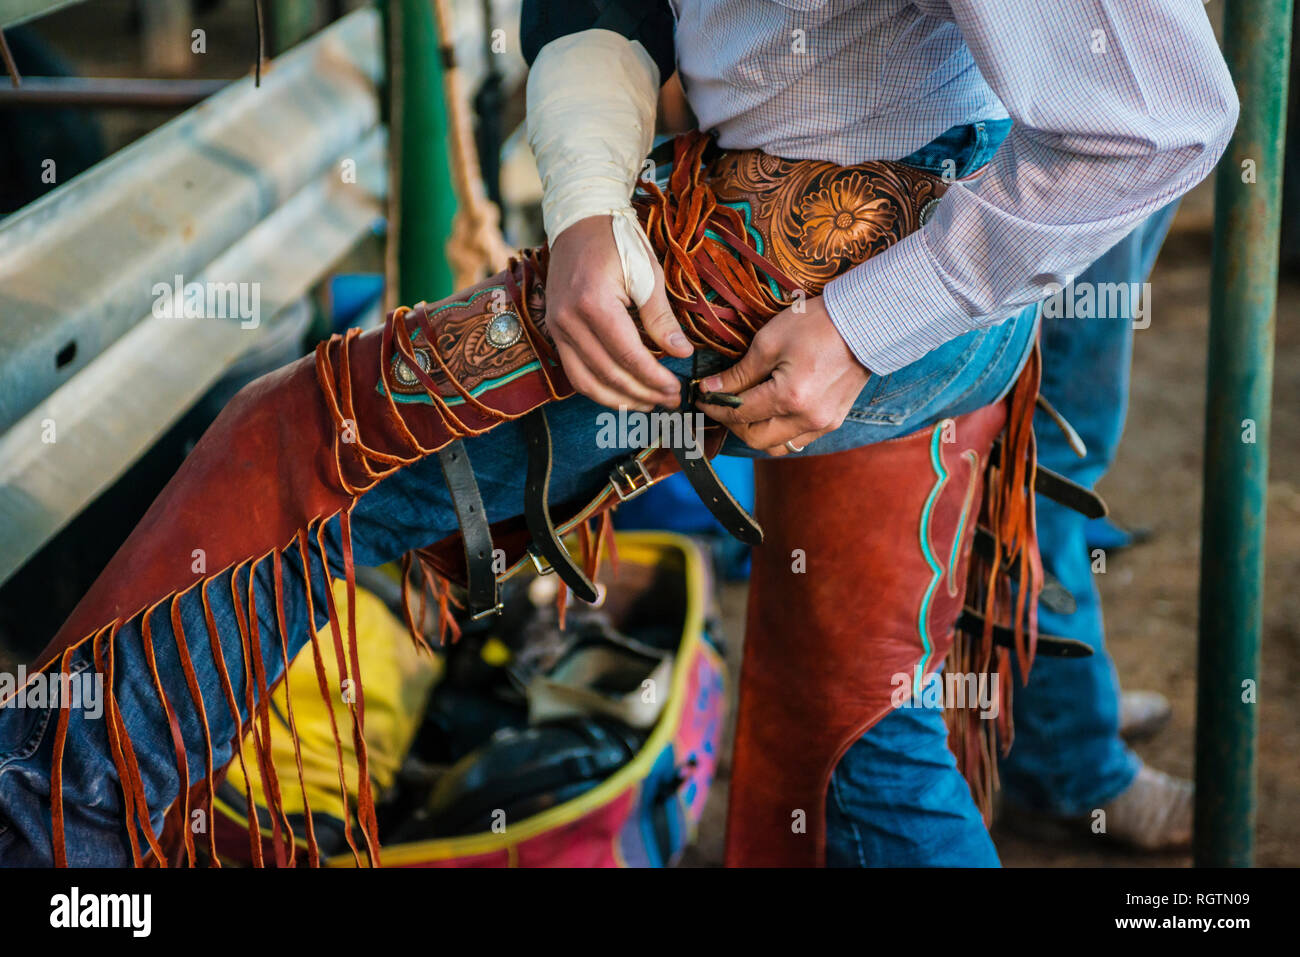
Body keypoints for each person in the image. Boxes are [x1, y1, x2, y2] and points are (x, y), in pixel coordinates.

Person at [0, 0, 1236, 867]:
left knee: (285, 450)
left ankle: (53, 847)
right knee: (860, 714)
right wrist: (589, 211)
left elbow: (1162, 117)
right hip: (828, 254)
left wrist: (870, 322)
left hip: (816, 264)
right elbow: (607, 0)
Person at [999, 202, 1194, 851]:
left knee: (1063, 446)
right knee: (1048, 454)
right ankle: (1064, 755)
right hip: (1072, 142)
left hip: (1135, 133)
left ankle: (1056, 708)